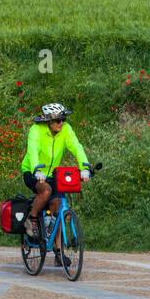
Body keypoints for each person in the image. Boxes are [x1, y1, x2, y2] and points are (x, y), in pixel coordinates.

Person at [22, 103, 90, 267]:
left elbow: (77, 147)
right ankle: (31, 220)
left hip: (53, 174)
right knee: (45, 191)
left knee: (58, 206)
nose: (61, 123)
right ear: (48, 121)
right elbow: (32, 151)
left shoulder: (66, 129)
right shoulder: (36, 130)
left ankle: (58, 253)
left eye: (63, 119)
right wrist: (36, 170)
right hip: (32, 171)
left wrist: (85, 167)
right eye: (58, 120)